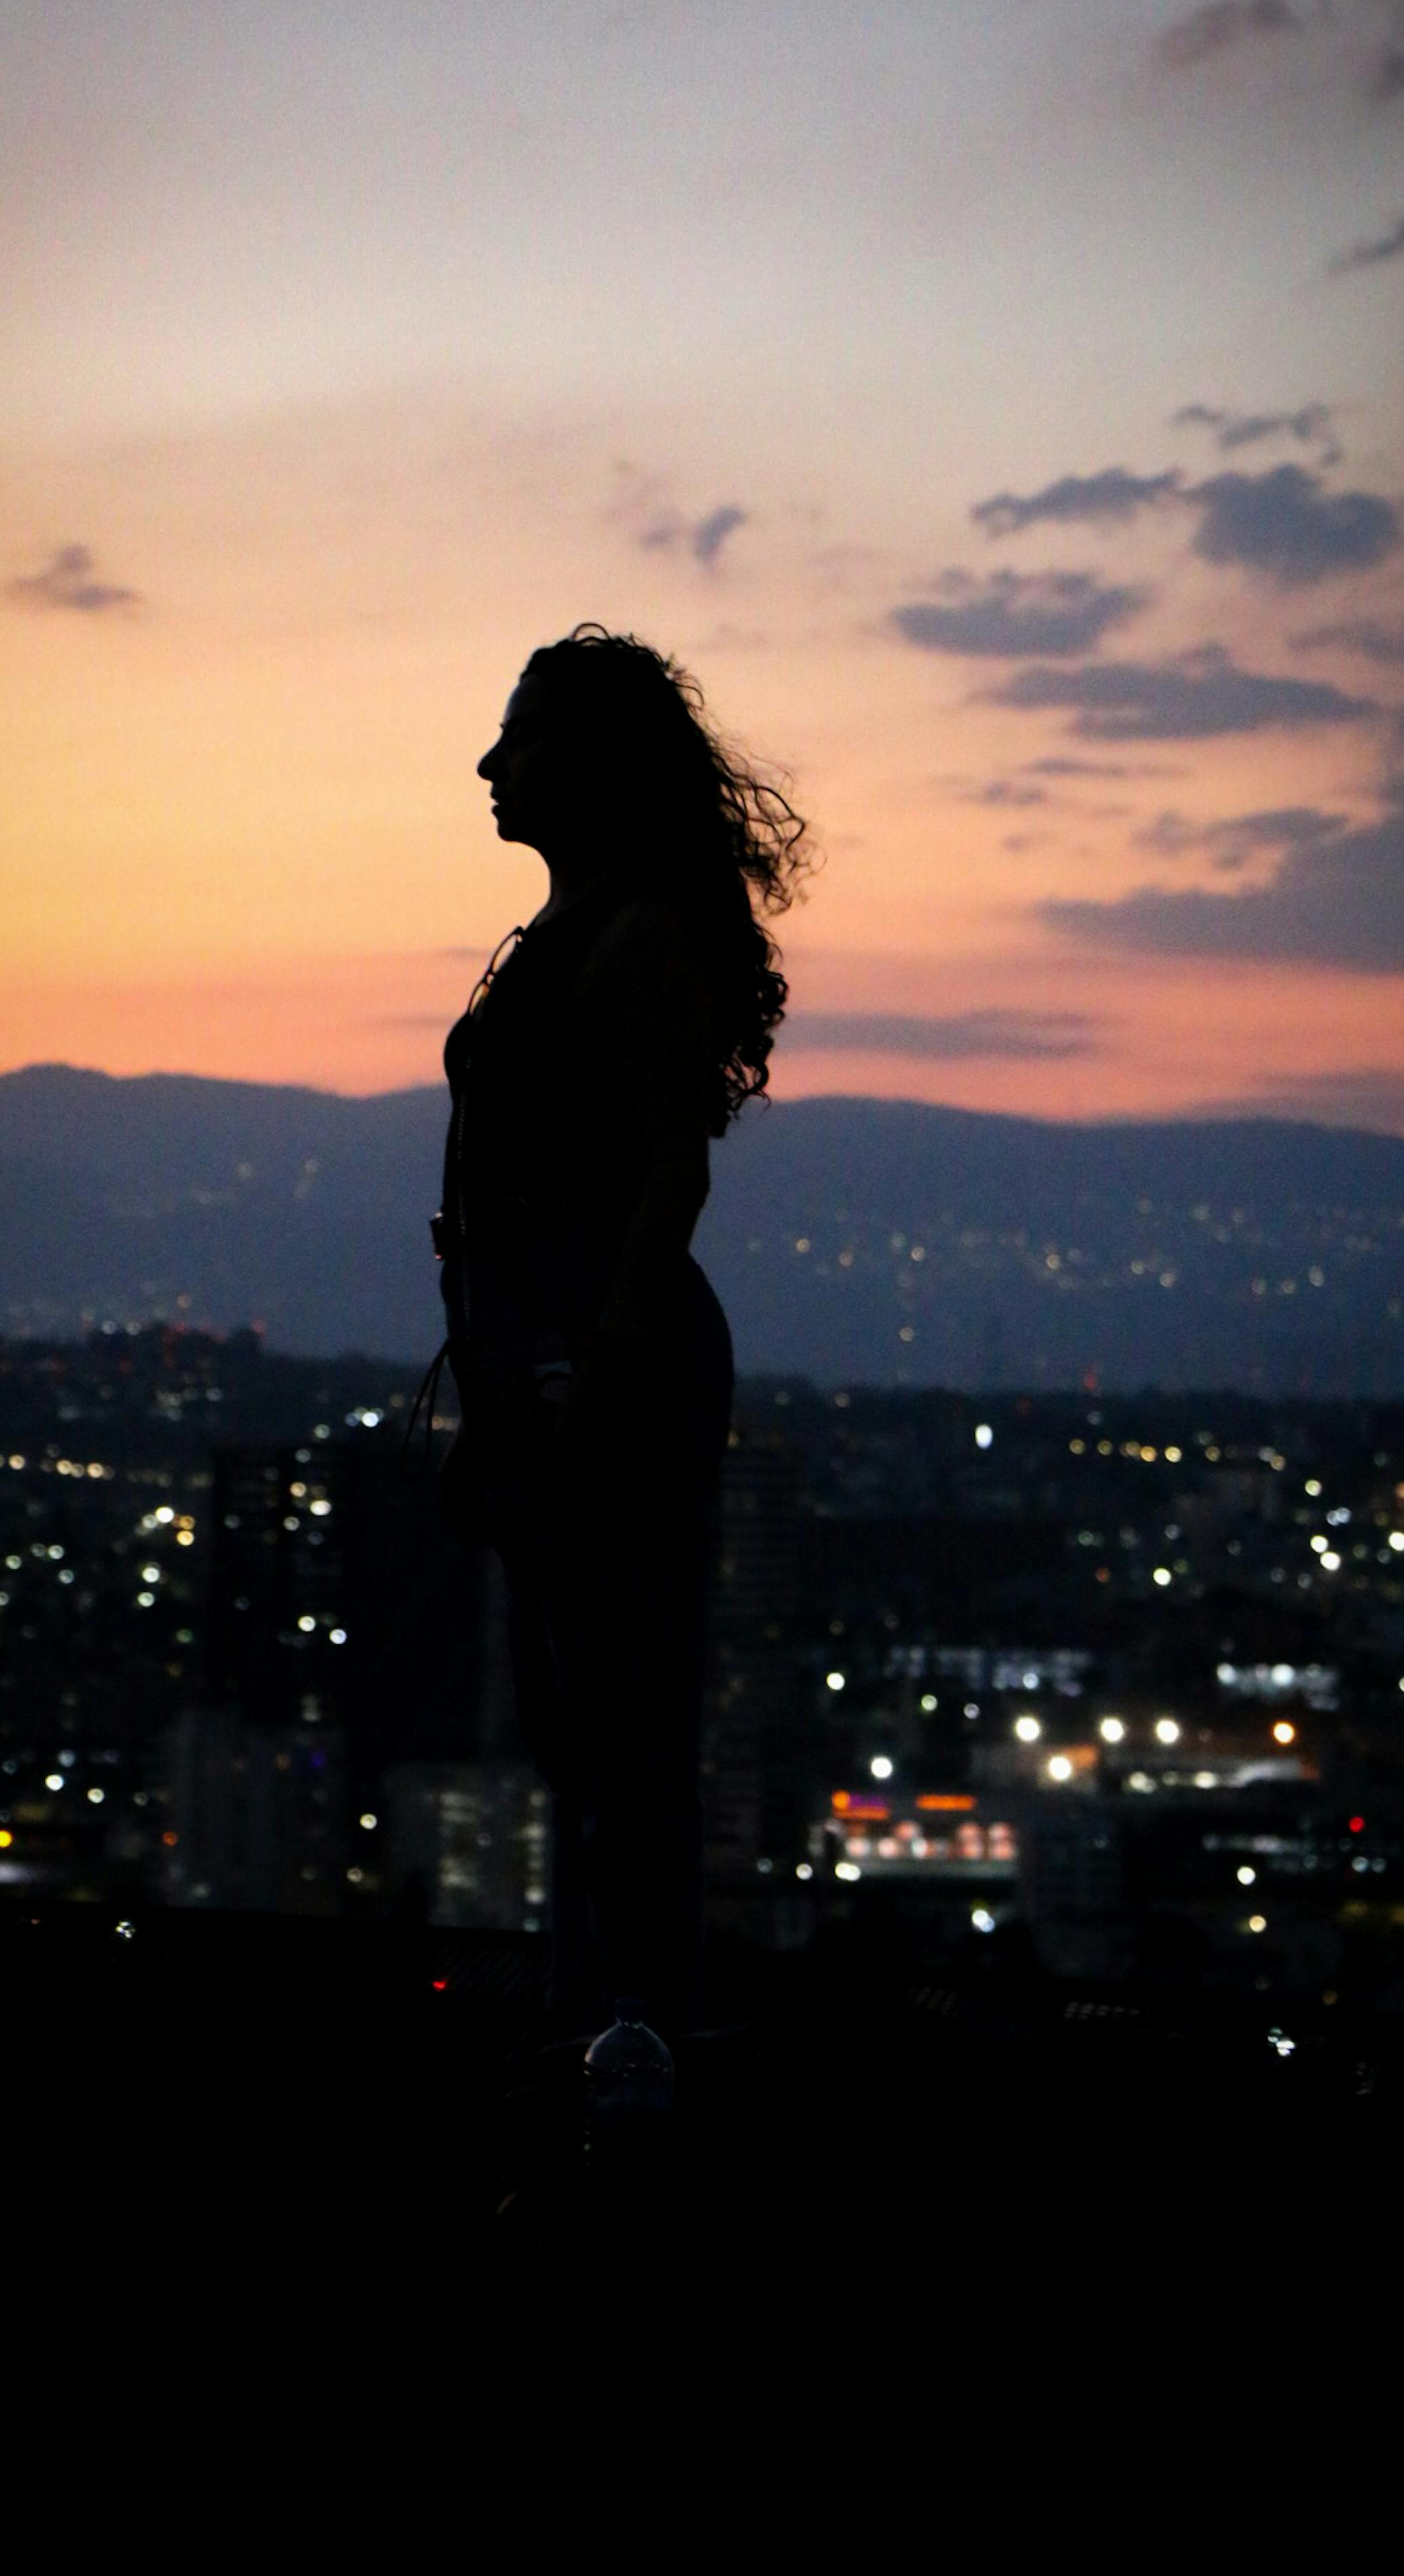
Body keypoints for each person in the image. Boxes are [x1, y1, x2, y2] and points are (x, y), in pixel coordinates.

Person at [429, 622, 810, 2048]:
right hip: (554, 1372)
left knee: (624, 1746)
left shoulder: (637, 934)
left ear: (582, 759)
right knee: (582, 1742)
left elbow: (673, 1166)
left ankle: (634, 2071)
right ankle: (605, 2041)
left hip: (598, 1373)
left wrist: (601, 1371)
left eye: (516, 735)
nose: (487, 761)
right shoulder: (585, 927)